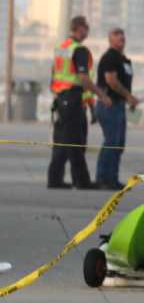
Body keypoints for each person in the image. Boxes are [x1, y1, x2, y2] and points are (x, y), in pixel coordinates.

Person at [47, 15, 101, 190]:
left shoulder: (61, 48)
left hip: (61, 99)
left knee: (62, 140)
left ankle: (55, 179)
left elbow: (54, 75)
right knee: (75, 141)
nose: (88, 31)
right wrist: (102, 95)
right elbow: (84, 79)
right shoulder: (79, 50)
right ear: (80, 28)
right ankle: (82, 181)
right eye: (86, 27)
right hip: (73, 98)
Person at [93, 27, 144, 189]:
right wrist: (128, 96)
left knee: (118, 143)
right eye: (117, 35)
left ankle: (112, 178)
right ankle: (102, 178)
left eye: (122, 34)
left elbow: (123, 82)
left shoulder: (124, 60)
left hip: (119, 105)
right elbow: (111, 80)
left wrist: (130, 99)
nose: (121, 37)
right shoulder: (110, 57)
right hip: (109, 105)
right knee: (111, 142)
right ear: (110, 39)